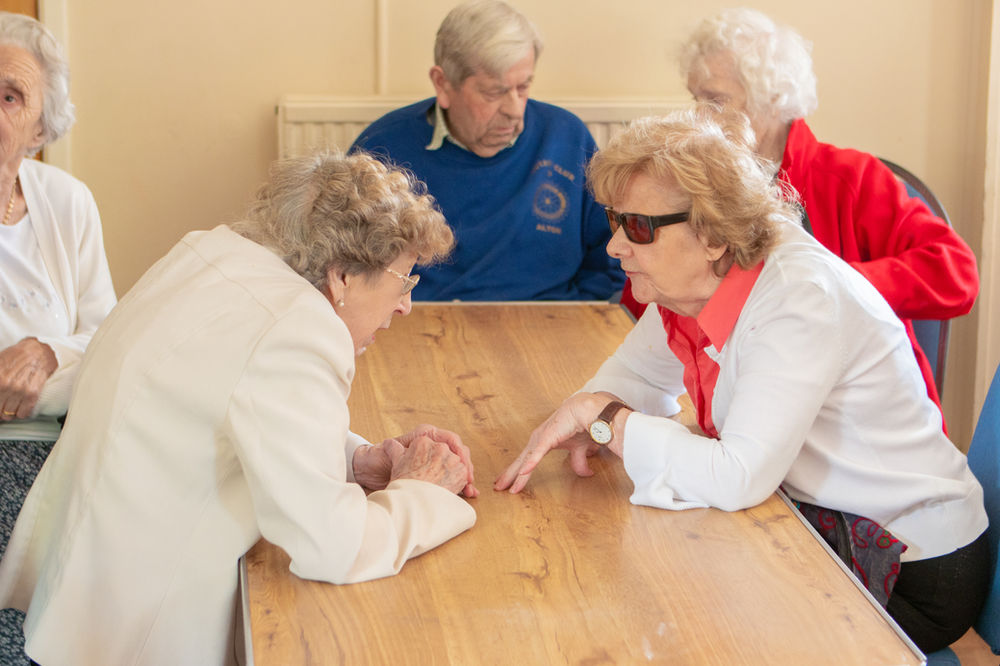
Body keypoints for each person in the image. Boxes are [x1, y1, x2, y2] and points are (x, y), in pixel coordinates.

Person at [495, 108, 990, 654]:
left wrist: (608, 421)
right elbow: (632, 377)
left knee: (667, 627)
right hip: (806, 524)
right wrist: (593, 415)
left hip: (906, 566)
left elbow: (738, 476)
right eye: (614, 219)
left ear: (711, 234)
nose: (615, 246)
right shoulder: (696, 278)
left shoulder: (799, 298)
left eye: (637, 227)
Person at [0, 150, 479, 665]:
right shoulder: (299, 329)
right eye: (403, 280)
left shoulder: (211, 253)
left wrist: (356, 462)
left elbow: (225, 401)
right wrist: (421, 493)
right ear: (341, 277)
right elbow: (332, 547)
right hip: (144, 634)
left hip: (83, 596)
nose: (406, 303)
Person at [621, 8, 979, 424]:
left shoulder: (851, 178)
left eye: (716, 101)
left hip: (855, 422)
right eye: (695, 99)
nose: (701, 117)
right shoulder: (694, 187)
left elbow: (955, 273)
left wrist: (825, 286)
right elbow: (647, 316)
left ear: (774, 99)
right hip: (739, 407)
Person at [351, 0, 623, 301]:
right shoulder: (383, 151)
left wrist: (579, 316)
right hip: (424, 324)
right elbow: (349, 273)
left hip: (550, 322)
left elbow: (611, 262)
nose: (514, 109)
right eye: (494, 92)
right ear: (442, 83)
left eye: (524, 87)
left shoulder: (567, 138)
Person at [0, 11, 116, 565]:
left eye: (10, 97)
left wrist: (48, 353)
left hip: (68, 448)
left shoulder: (68, 201)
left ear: (40, 130)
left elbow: (109, 337)